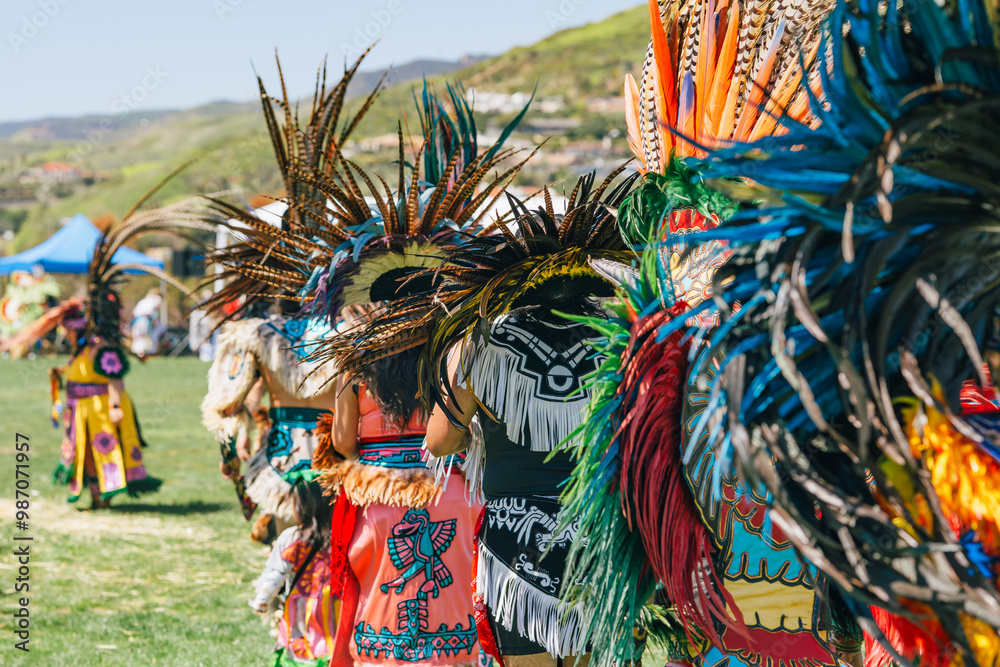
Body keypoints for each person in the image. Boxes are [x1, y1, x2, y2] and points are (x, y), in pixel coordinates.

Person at [51, 303, 160, 508]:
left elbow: (114, 378)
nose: (65, 334)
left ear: (78, 328)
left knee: (101, 450)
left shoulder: (98, 346)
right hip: (82, 409)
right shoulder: (80, 349)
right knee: (86, 453)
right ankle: (96, 494)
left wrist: (115, 406)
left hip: (101, 408)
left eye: (67, 330)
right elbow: (83, 372)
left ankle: (104, 494)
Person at [250, 480, 337, 667]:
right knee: (330, 645)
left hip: (302, 604)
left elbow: (276, 572)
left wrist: (262, 600)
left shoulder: (292, 537)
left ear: (300, 507)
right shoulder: (338, 536)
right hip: (334, 602)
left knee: (302, 648)